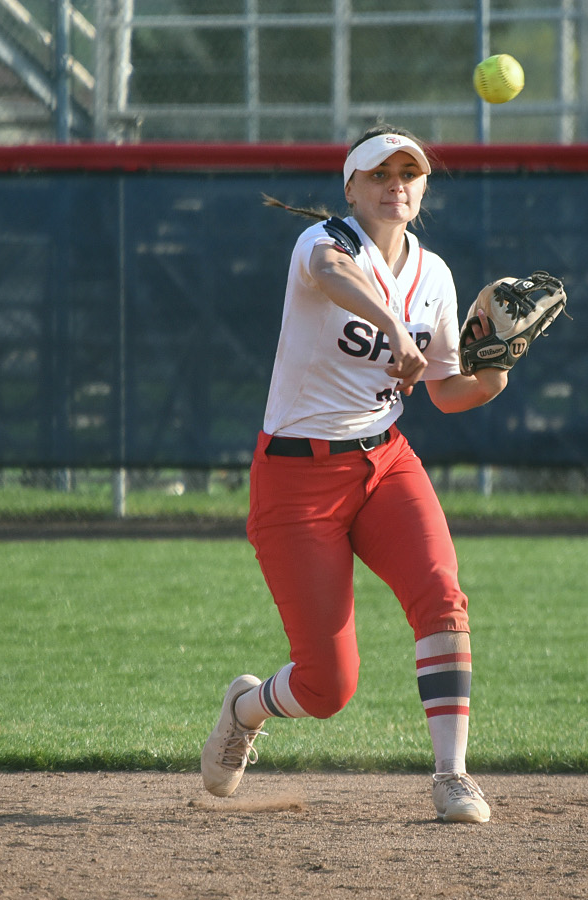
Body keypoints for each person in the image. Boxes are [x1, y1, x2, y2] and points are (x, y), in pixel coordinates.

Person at [201, 125, 511, 823]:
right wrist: (394, 329)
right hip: (296, 479)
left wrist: (500, 371)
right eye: (379, 173)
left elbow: (449, 390)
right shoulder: (324, 242)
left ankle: (453, 775)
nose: (396, 183)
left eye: (410, 173)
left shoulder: (434, 274)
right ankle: (246, 707)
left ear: (424, 188)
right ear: (351, 187)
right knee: (328, 686)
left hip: (385, 462)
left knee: (441, 595)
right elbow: (336, 278)